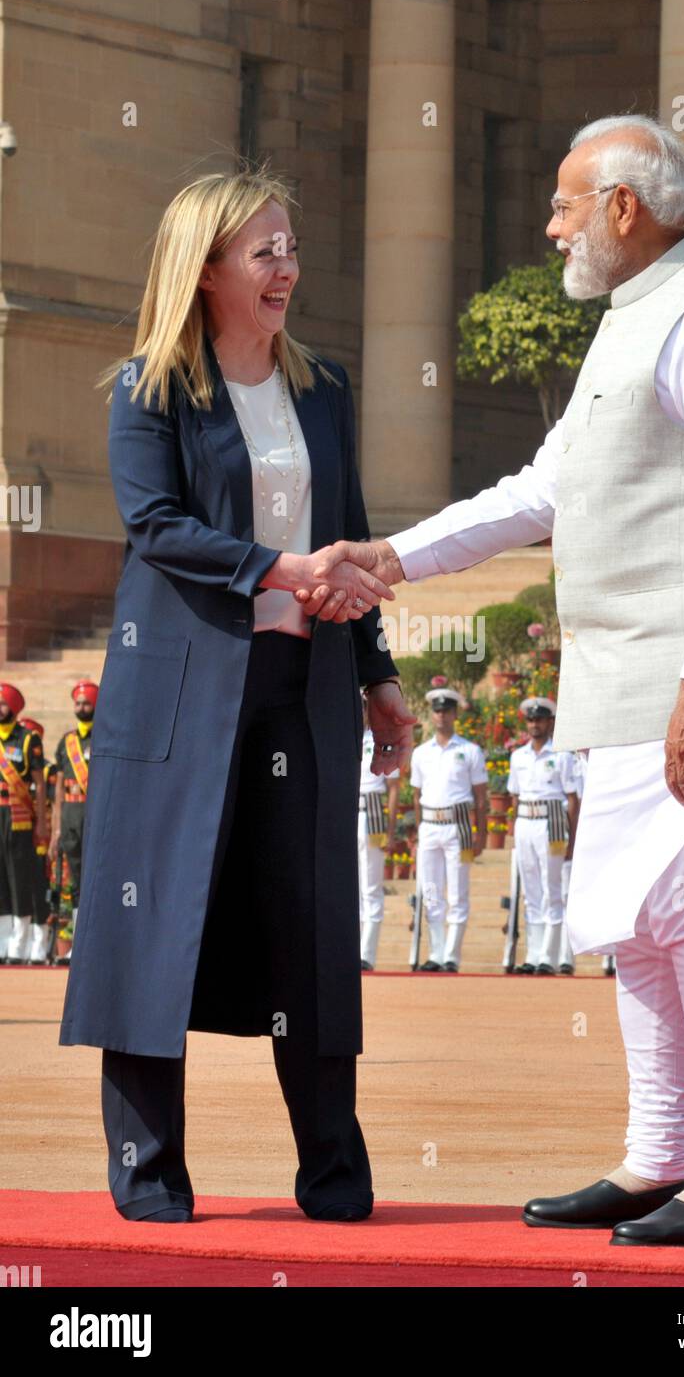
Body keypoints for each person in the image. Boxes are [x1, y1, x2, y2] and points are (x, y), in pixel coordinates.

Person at [304, 115, 684, 1246]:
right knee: (635, 924)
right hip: (627, 681)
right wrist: (395, 557)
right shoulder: (631, 321)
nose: (549, 221)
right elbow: (538, 487)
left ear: (623, 208)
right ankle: (661, 1154)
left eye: (564, 202)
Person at [58, 163, 415, 1225]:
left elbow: (344, 535)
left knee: (307, 923)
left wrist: (379, 673)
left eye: (290, 249)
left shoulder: (325, 390)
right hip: (176, 700)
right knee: (152, 916)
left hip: (301, 688)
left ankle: (333, 1172)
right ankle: (150, 1170)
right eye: (264, 251)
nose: (286, 269)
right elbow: (156, 525)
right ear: (205, 266)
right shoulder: (149, 388)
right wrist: (282, 567)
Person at [409, 688, 488, 972]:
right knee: (431, 893)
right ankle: (436, 952)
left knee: (457, 893)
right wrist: (418, 832)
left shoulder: (470, 750)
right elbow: (417, 796)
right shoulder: (420, 753)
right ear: (432, 714)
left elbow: (481, 797)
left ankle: (452, 955)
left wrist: (480, 835)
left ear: (455, 714)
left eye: (446, 711)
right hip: (430, 825)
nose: (441, 716)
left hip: (459, 826)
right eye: (437, 711)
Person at [506, 697, 580, 974]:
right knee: (531, 891)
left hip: (552, 823)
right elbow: (514, 797)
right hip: (526, 821)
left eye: (540, 719)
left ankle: (549, 955)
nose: (534, 724)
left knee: (553, 890)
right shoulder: (518, 756)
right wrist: (516, 831)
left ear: (551, 722)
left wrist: (572, 839)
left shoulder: (561, 755)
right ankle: (533, 954)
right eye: (530, 720)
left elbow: (572, 800)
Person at [48, 682, 98, 961]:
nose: (81, 708)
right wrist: (56, 826)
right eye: (77, 703)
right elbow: (57, 788)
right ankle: (79, 940)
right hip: (69, 814)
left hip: (93, 814)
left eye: (86, 703)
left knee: (94, 877)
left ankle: (92, 942)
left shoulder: (103, 736)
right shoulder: (66, 742)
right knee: (76, 879)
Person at [0, 683, 49, 964]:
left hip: (18, 816)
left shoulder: (28, 739)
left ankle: (19, 946)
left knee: (18, 878)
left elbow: (40, 785)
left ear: (15, 708)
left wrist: (42, 820)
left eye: (4, 703)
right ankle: (3, 942)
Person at [357, 690, 401, 970]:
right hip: (346, 814)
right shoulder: (344, 738)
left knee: (371, 887)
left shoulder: (382, 742)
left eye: (364, 708)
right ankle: (351, 948)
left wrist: (391, 829)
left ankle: (367, 953)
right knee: (351, 887)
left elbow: (394, 789)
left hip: (371, 815)